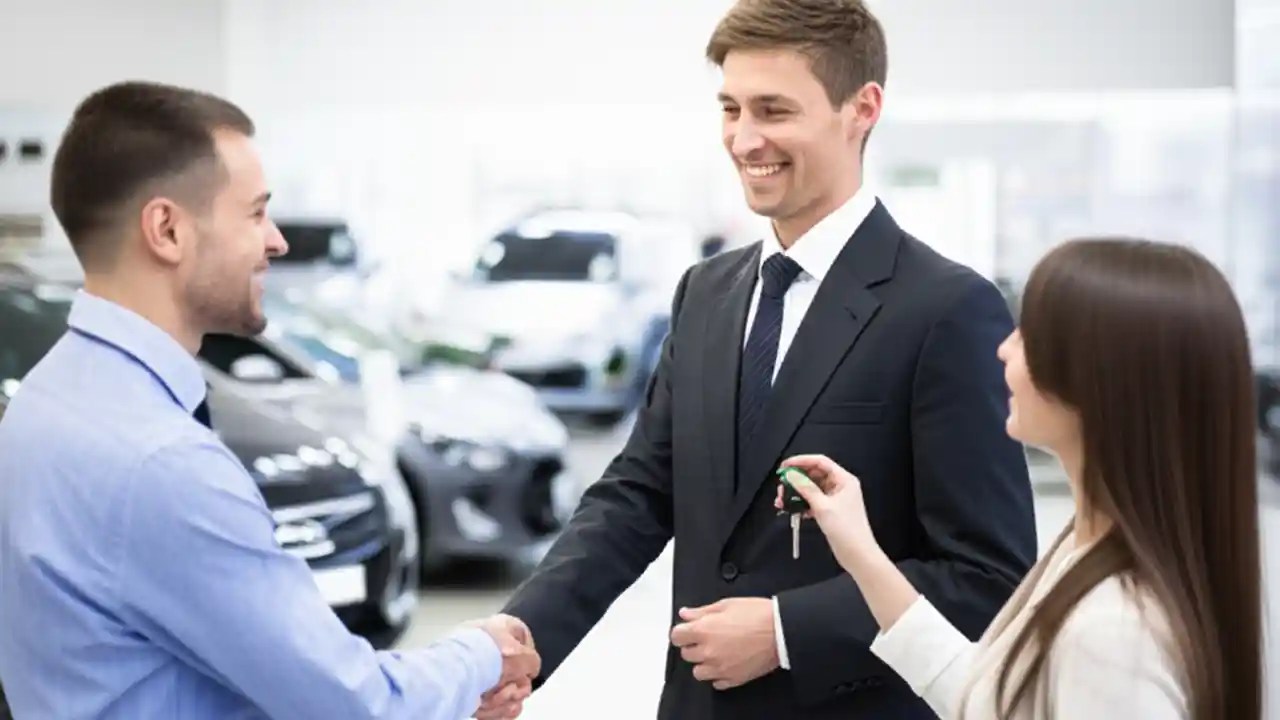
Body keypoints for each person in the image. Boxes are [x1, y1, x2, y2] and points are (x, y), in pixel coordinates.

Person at [482, 1, 1037, 718]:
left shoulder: (946, 308)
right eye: (730, 109)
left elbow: (987, 575)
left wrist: (786, 631)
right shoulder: (707, 292)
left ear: (861, 109)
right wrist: (523, 638)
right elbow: (638, 495)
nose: (745, 139)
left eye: (773, 110)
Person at [0, 81, 538, 720]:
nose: (277, 241)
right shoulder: (161, 461)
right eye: (255, 213)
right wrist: (477, 655)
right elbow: (353, 705)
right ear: (167, 230)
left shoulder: (43, 399)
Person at [777, 237, 1265, 720]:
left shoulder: (1111, 635)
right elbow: (991, 700)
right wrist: (861, 552)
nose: (1005, 349)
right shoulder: (1086, 551)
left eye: (1029, 335)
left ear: (1099, 379)